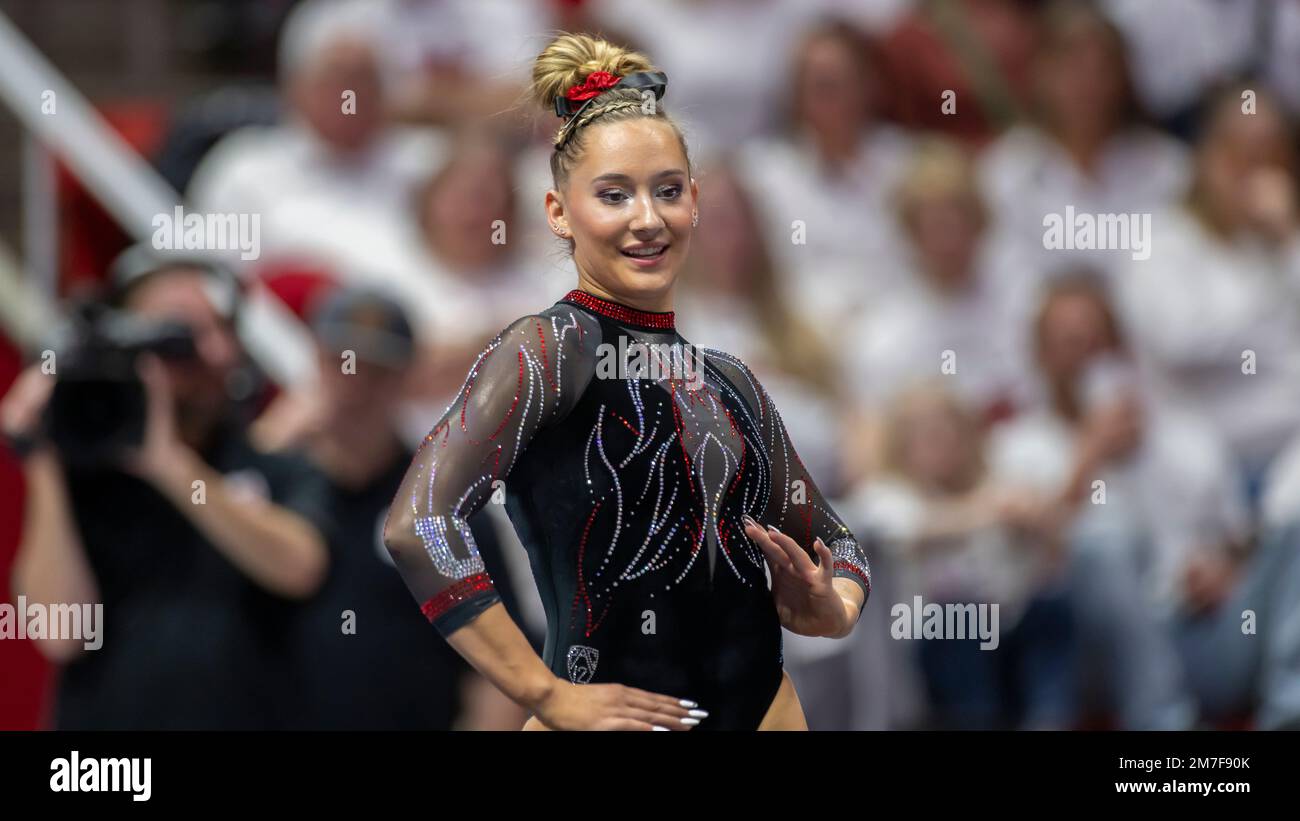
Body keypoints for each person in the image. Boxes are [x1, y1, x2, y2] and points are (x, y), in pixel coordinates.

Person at [381, 33, 872, 731]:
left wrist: (835, 605)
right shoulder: (552, 350)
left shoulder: (728, 380)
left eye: (667, 191)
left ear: (694, 201)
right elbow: (420, 522)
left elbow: (841, 542)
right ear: (558, 211)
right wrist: (543, 692)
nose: (647, 219)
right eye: (614, 195)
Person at [3, 250, 329, 729]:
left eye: (211, 329)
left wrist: (166, 462)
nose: (200, 353)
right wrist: (44, 456)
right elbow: (60, 633)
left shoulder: (273, 468)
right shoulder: (84, 476)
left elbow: (301, 568)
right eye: (174, 334)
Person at [269, 285, 533, 730]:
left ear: (407, 379)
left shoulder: (444, 510)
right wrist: (269, 441)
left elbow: (500, 673)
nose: (356, 385)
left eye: (377, 369)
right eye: (342, 362)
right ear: (314, 363)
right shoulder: (270, 489)